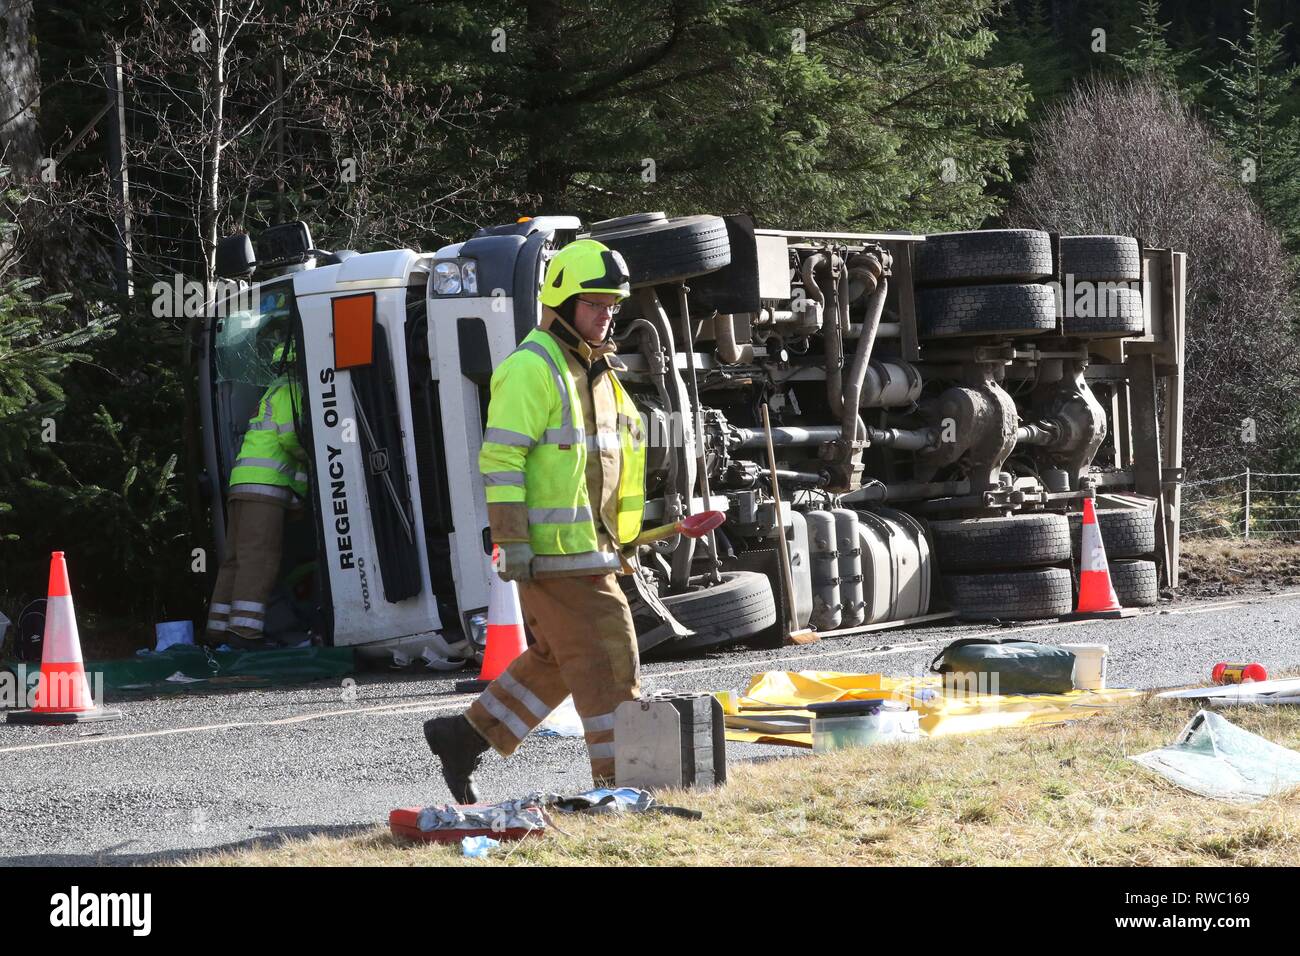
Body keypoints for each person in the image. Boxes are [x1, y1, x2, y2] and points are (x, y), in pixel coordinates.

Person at [423, 238, 647, 801]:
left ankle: (464, 736)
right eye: (595, 304)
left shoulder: (597, 371)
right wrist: (512, 541)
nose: (606, 315)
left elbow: (603, 466)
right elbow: (500, 460)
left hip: (587, 550)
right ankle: (617, 784)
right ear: (563, 303)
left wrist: (637, 535)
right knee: (610, 658)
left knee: (556, 660)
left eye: (612, 305)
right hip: (551, 555)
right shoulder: (532, 367)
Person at [203, 341, 308, 649]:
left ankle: (218, 632)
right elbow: (291, 436)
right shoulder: (292, 390)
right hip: (266, 488)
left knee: (235, 559)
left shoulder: (272, 392)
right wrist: (316, 460)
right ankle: (245, 634)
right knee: (258, 560)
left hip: (242, 484)